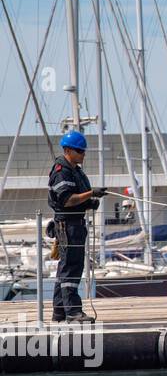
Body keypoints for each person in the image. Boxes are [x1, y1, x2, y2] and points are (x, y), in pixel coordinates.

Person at [47, 130, 107, 324]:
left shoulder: (75, 170)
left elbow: (77, 199)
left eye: (83, 151)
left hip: (75, 224)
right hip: (68, 226)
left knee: (65, 268)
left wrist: (90, 202)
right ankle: (73, 312)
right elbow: (67, 199)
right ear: (67, 150)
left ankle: (59, 312)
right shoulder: (61, 171)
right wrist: (90, 194)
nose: (83, 154)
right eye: (79, 151)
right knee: (71, 269)